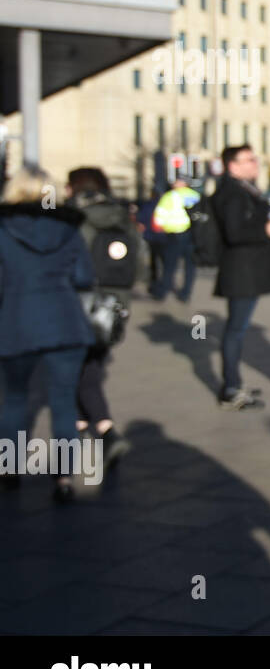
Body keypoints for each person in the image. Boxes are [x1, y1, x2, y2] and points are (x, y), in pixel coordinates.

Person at [0, 166, 95, 501]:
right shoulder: (69, 228)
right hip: (65, 321)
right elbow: (84, 277)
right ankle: (63, 479)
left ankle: (9, 469)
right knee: (64, 402)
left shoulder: (3, 229)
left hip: (15, 321)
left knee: (13, 399)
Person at [66, 166, 141, 467]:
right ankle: (82, 426)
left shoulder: (73, 218)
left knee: (79, 369)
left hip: (79, 302)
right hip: (114, 306)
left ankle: (105, 429)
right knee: (91, 365)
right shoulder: (121, 215)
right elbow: (140, 265)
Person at [211, 145, 270, 411]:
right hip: (240, 272)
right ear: (233, 165)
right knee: (235, 330)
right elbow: (235, 232)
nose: (255, 163)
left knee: (237, 329)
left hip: (245, 271)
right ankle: (230, 389)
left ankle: (233, 383)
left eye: (255, 158)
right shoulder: (231, 193)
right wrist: (267, 229)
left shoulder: (241, 188)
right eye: (249, 160)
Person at [148, 176, 199, 302]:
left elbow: (160, 214)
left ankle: (163, 291)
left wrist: (159, 229)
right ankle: (186, 293)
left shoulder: (170, 196)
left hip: (174, 233)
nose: (174, 183)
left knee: (169, 265)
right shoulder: (196, 196)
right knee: (190, 266)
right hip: (192, 234)